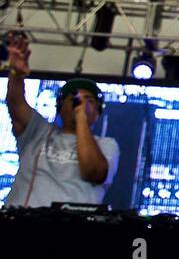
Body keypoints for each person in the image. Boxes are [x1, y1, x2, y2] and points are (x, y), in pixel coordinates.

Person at [4, 33, 120, 208]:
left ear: (96, 114)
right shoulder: (39, 130)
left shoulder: (107, 145)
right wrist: (16, 75)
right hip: (21, 223)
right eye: (73, 98)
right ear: (59, 107)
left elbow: (94, 172)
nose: (80, 102)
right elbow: (15, 104)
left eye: (89, 100)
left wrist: (81, 117)